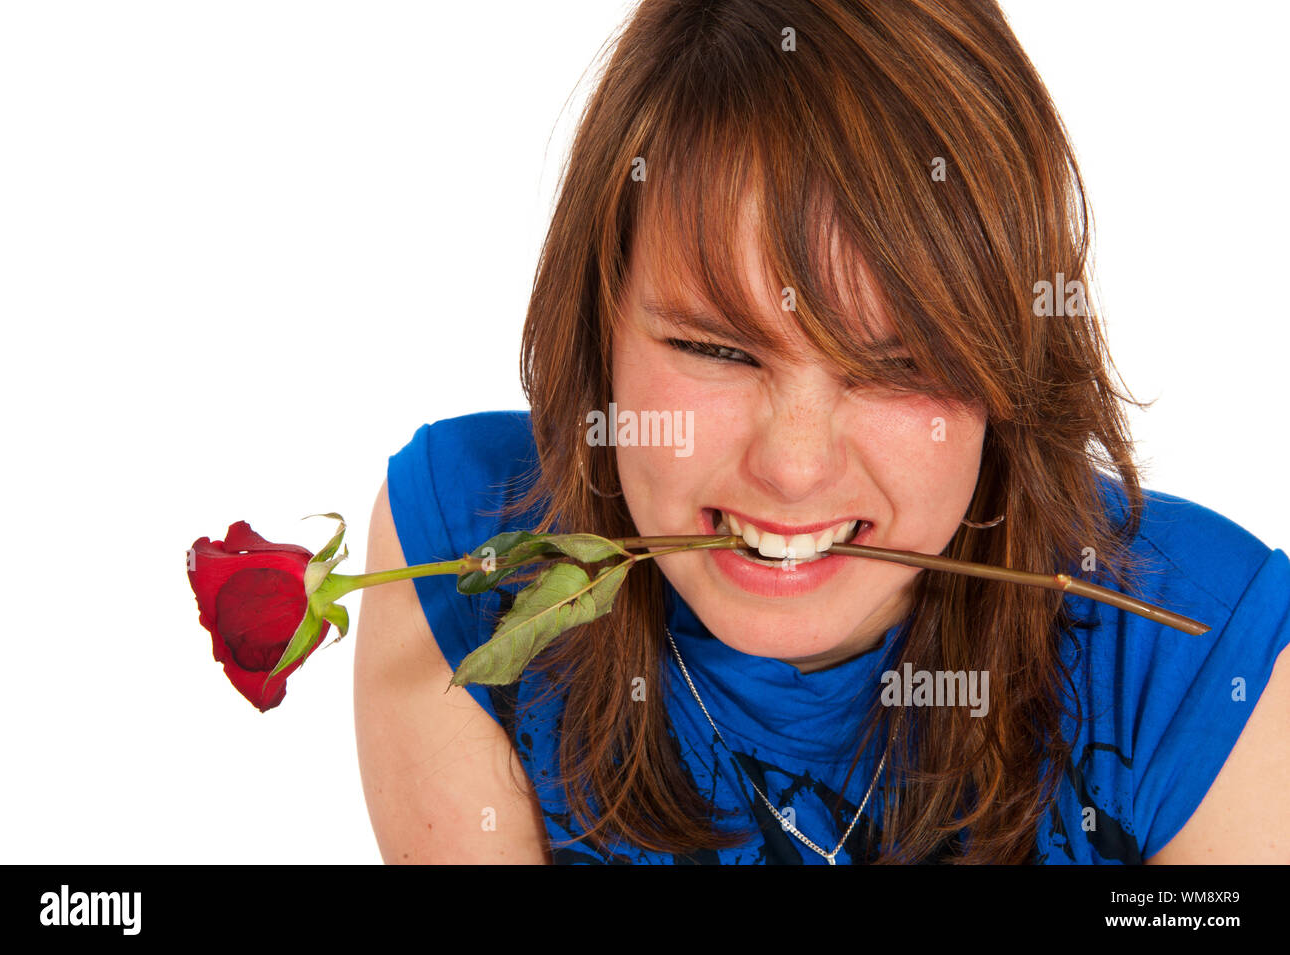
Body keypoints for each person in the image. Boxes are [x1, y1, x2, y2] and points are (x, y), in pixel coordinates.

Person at [352, 0, 1290, 864]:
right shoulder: (461, 555)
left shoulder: (1203, 663)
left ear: (1010, 364)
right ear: (597, 325)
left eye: (897, 367)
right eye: (716, 348)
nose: (794, 468)